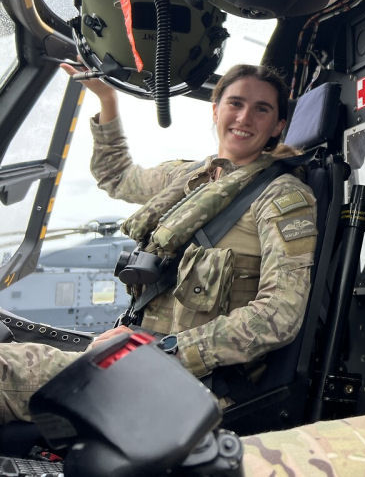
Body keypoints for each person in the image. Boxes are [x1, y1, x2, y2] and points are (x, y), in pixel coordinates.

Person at [0, 63, 317, 423]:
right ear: (216, 110)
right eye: (236, 103)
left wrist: (166, 351)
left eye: (262, 109)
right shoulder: (187, 176)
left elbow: (279, 314)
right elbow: (116, 176)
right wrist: (107, 100)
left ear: (277, 126)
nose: (244, 117)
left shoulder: (282, 197)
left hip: (195, 384)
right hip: (140, 358)